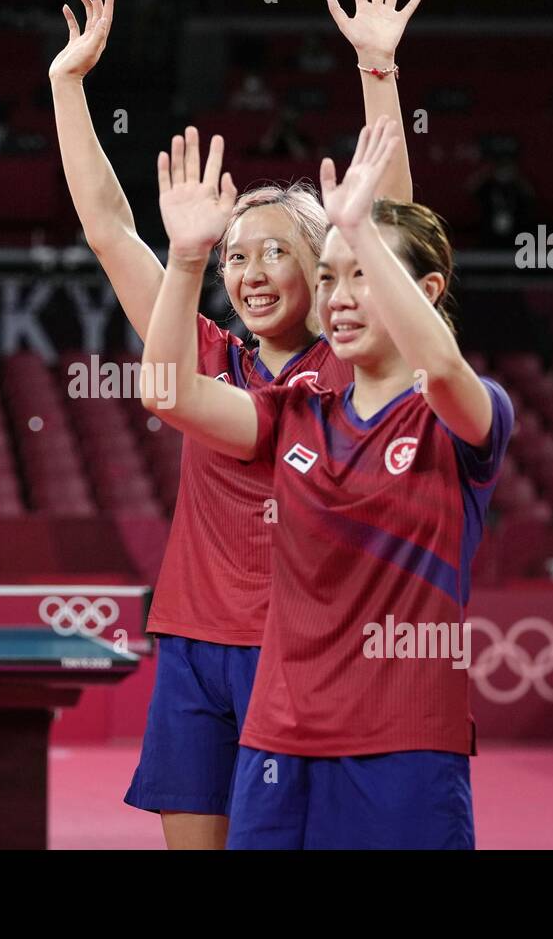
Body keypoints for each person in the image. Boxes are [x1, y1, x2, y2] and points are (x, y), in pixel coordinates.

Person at [49, 0, 423, 849]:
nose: (250, 275)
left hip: (299, 650)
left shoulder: (352, 363)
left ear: (324, 266)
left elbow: (396, 230)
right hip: (191, 644)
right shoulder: (206, 355)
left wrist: (379, 74)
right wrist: (67, 87)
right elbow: (107, 228)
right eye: (236, 258)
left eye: (274, 255)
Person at [140, 115, 513, 849]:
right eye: (328, 277)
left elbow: (438, 368)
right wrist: (186, 260)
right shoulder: (294, 415)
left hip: (404, 738)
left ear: (426, 290)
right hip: (279, 738)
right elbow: (166, 392)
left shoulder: (467, 418)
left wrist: (360, 227)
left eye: (361, 275)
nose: (338, 296)